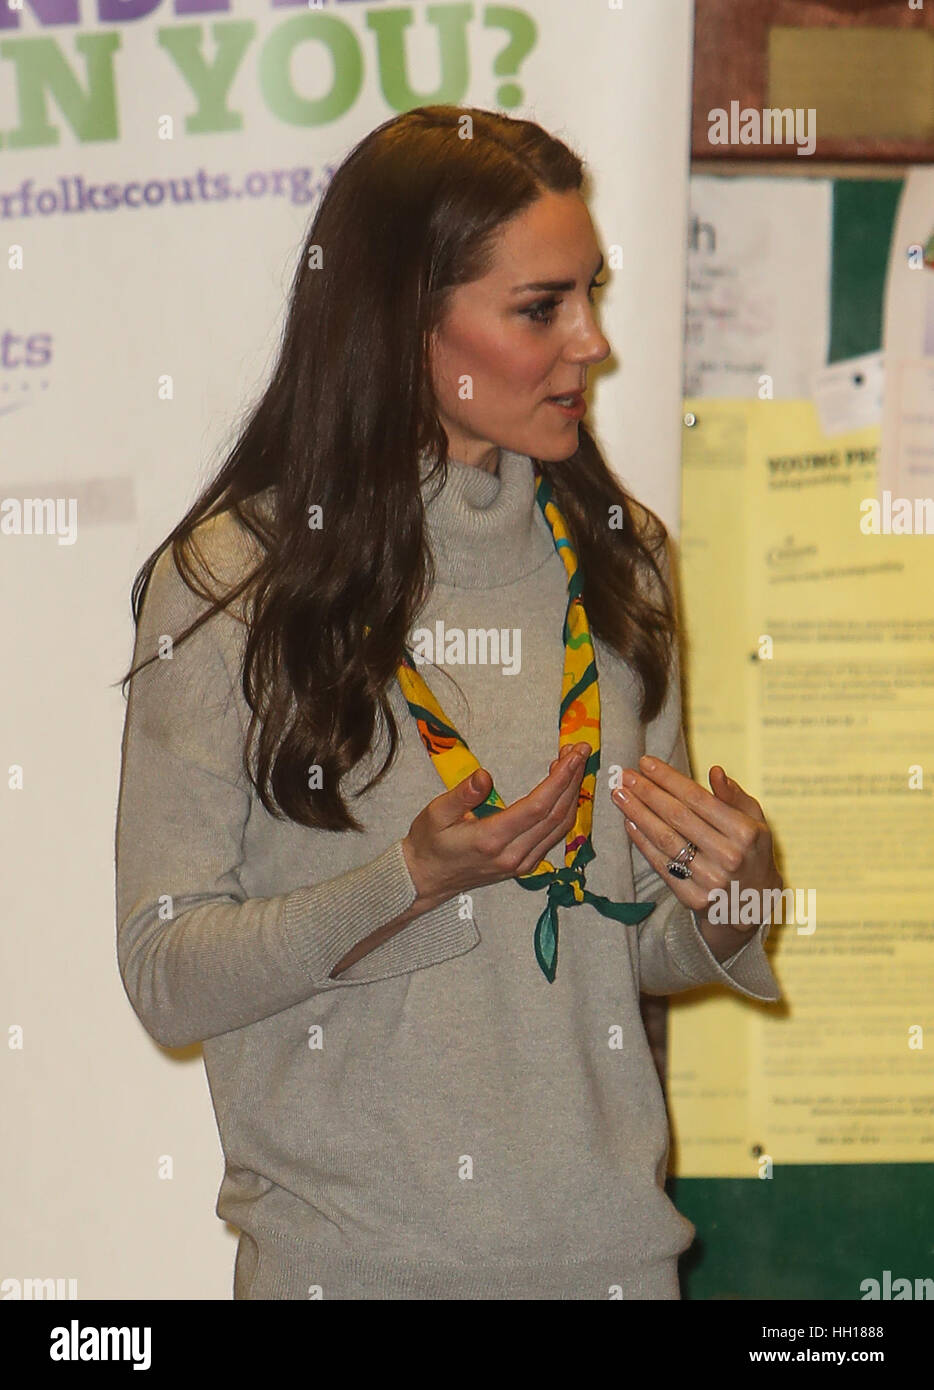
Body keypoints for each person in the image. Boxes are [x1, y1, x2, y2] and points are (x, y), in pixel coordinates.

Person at [114, 105, 783, 1301]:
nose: (592, 343)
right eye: (541, 307)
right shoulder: (227, 585)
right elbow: (168, 971)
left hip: (615, 1272)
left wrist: (731, 899)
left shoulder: (622, 562)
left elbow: (630, 941)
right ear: (404, 324)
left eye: (593, 293)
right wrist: (404, 885)